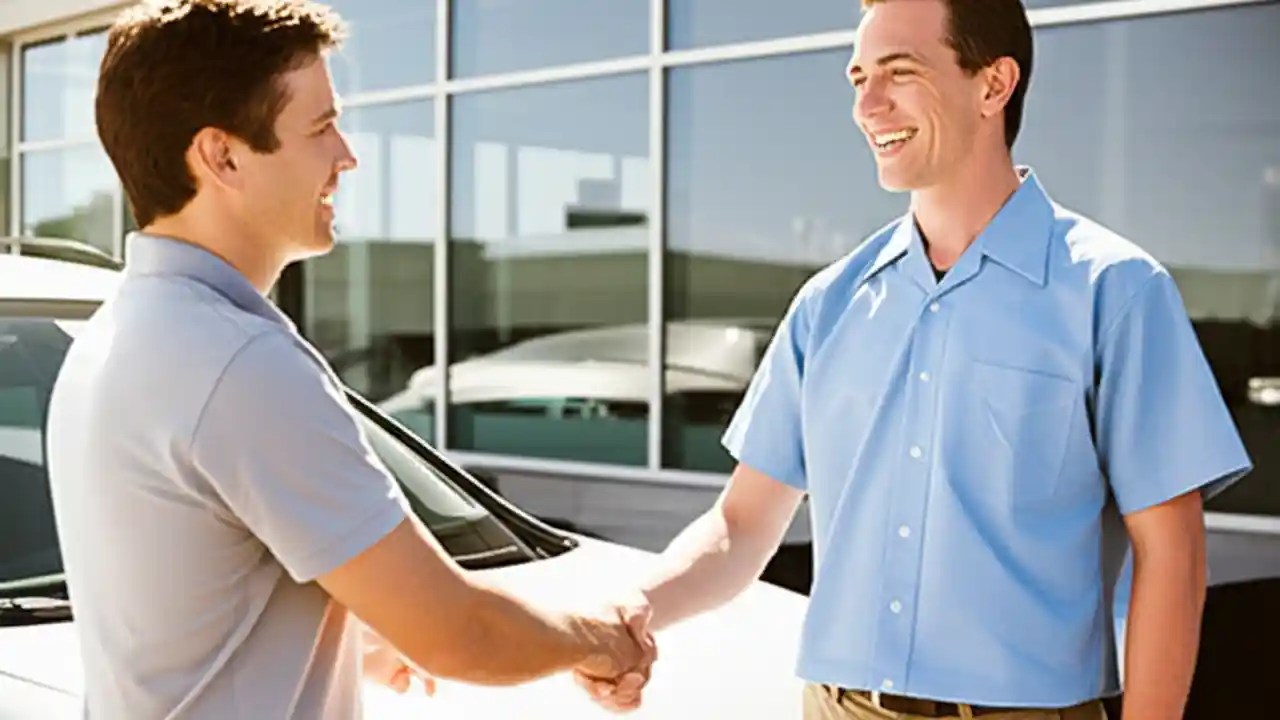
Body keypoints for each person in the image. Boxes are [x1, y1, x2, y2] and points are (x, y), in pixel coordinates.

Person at [577, 0, 1253, 718]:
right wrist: (637, 605)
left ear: (993, 85)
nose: (868, 105)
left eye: (900, 73)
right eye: (858, 77)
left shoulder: (1115, 292)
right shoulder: (828, 303)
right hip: (837, 708)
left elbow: (1173, 557)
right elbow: (742, 525)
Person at [44, 2, 654, 718]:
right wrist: (598, 642)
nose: (347, 155)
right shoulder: (238, 364)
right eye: (320, 126)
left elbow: (185, 597)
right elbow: (458, 633)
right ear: (223, 156)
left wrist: (358, 638)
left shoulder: (115, 337)